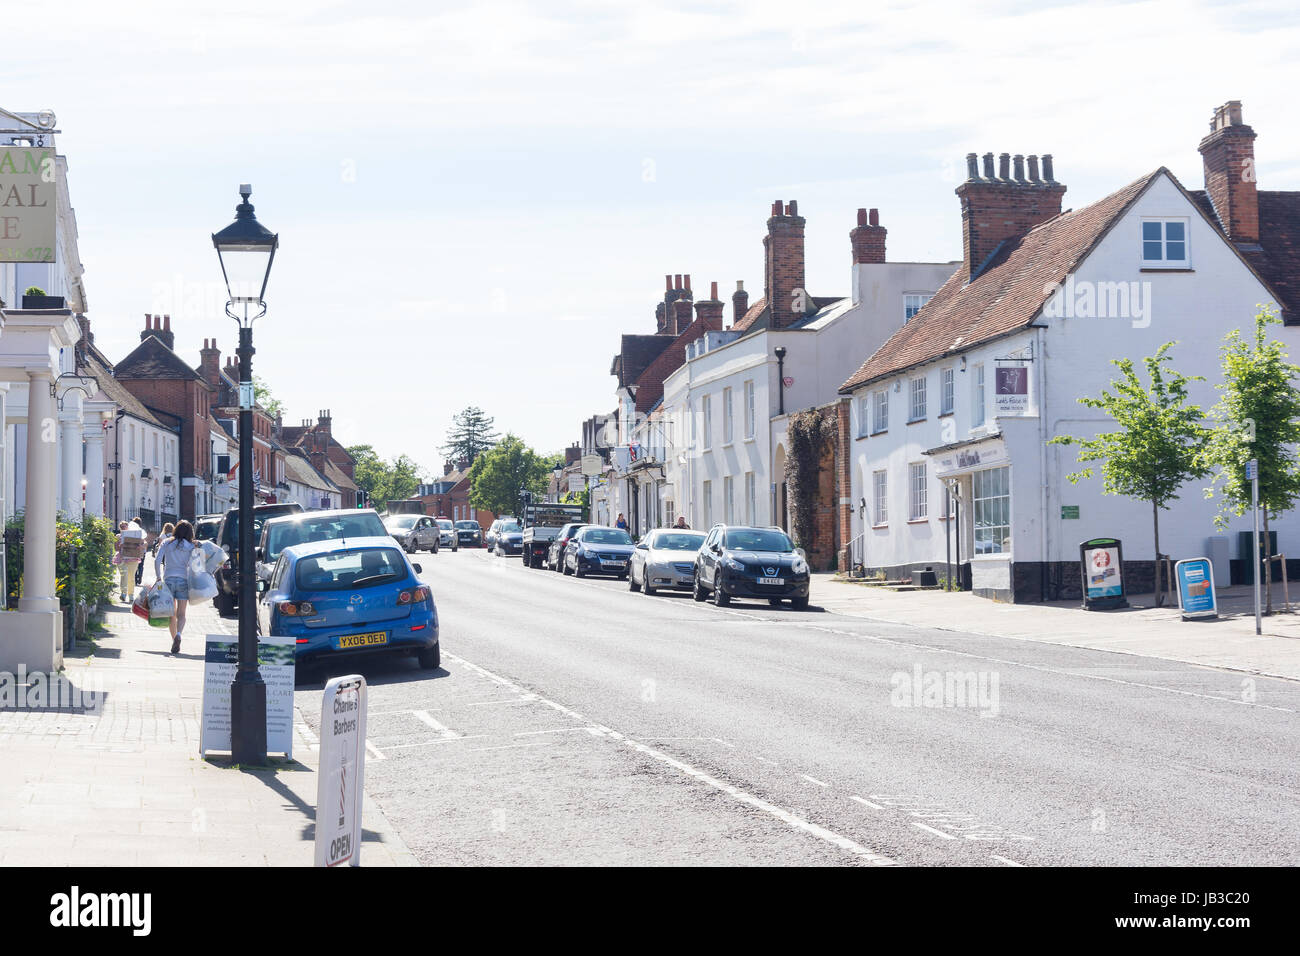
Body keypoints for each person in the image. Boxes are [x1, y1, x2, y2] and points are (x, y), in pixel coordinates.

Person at [154, 520, 195, 655]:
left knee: (171, 614)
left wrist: (158, 577)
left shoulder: (167, 543)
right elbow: (195, 565)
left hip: (169, 580)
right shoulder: (191, 546)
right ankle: (179, 634)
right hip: (183, 580)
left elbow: (157, 560)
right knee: (182, 614)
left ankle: (174, 641)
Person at [116, 520, 147, 603]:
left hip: (133, 558)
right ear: (120, 528)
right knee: (124, 575)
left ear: (128, 527)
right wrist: (120, 546)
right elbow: (115, 548)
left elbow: (145, 543)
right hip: (122, 558)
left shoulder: (135, 535)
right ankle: (123, 593)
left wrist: (141, 546)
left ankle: (131, 595)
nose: (123, 528)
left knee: (131, 577)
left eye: (125, 526)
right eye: (122, 527)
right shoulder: (118, 536)